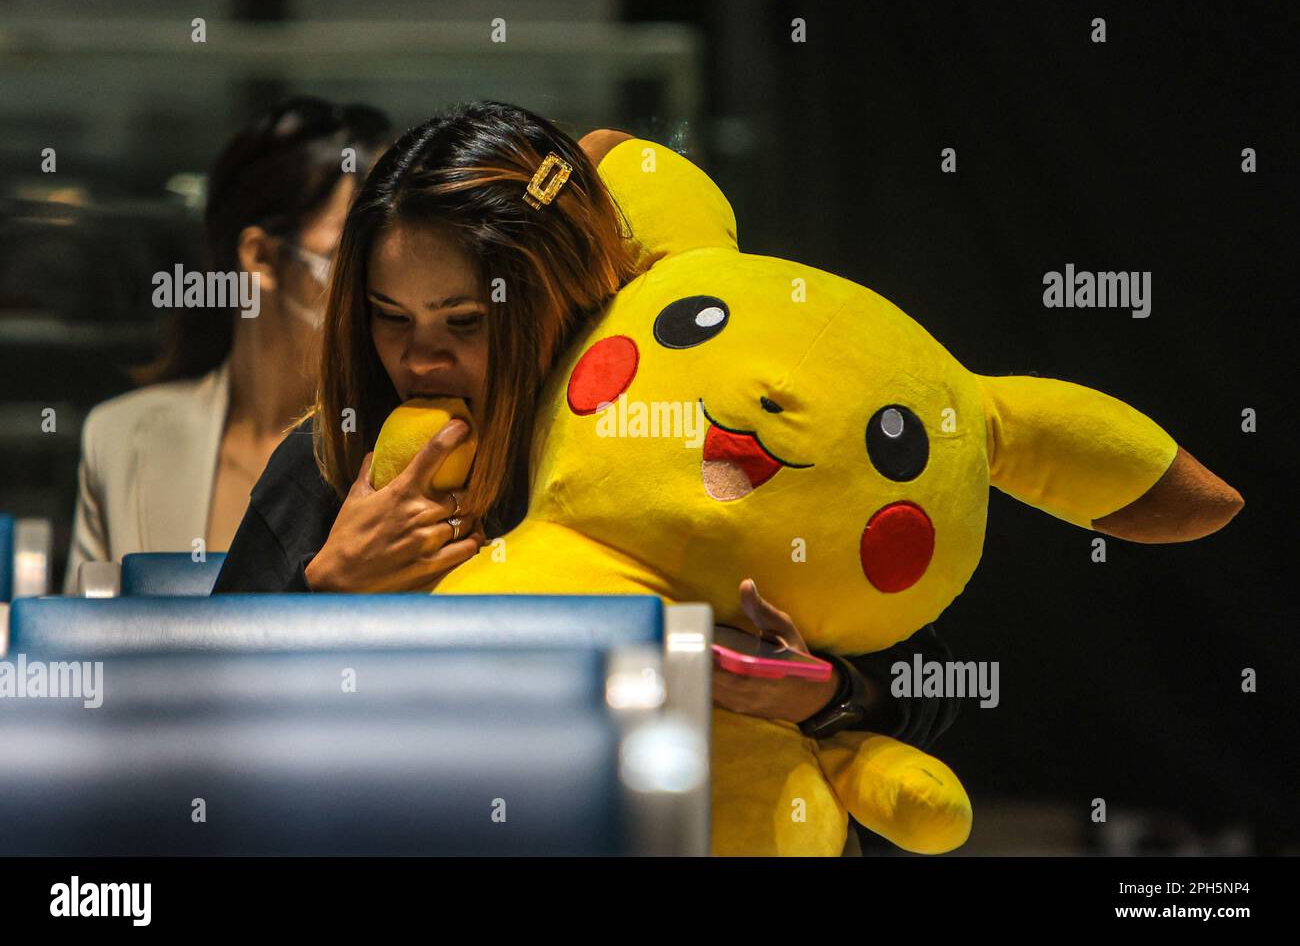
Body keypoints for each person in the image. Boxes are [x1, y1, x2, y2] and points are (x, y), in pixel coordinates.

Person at [211, 101, 958, 778]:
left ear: (560, 303)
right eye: (389, 316)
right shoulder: (331, 465)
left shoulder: (667, 434)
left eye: (466, 322)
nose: (419, 360)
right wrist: (327, 593)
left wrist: (818, 694)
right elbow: (193, 727)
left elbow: (925, 684)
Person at [62, 96, 390, 592]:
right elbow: (89, 650)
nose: (376, 290)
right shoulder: (121, 439)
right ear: (259, 257)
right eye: (349, 256)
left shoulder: (409, 445)